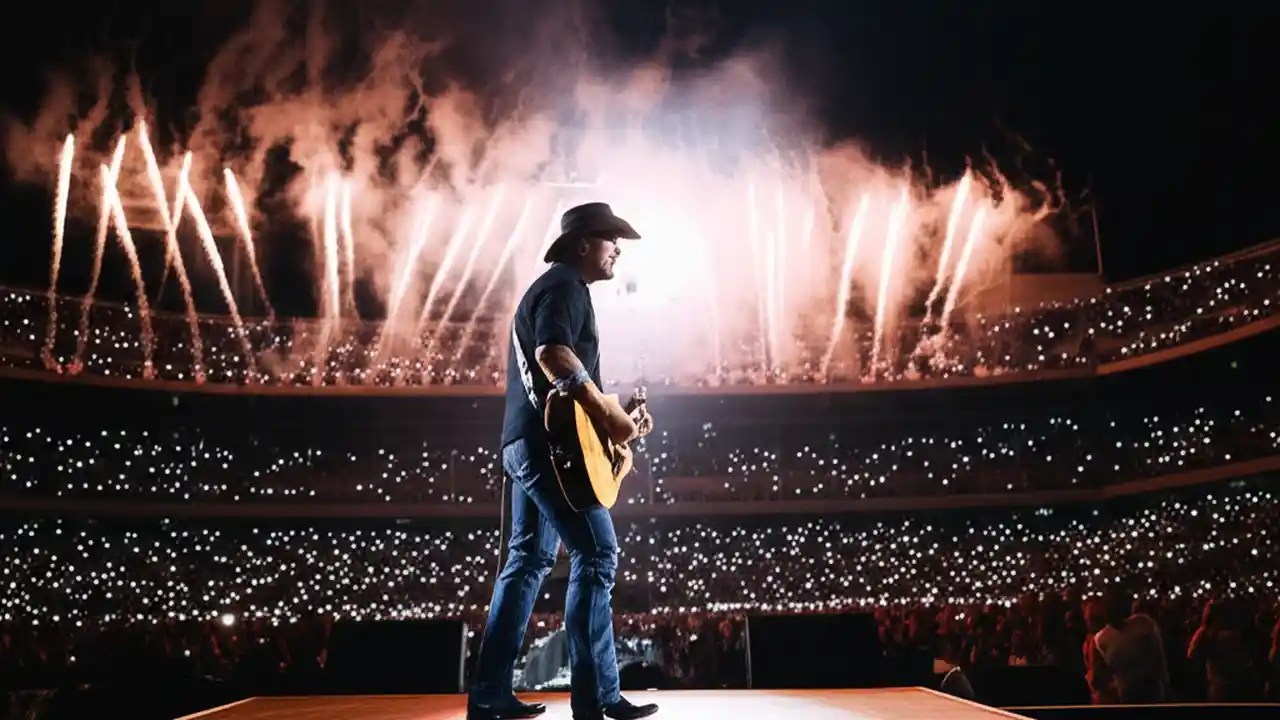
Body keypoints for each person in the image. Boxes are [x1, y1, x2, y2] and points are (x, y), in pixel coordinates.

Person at [467, 203, 659, 720]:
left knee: (527, 562)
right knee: (597, 555)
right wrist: (609, 415)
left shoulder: (547, 288)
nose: (619, 248)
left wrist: (618, 420)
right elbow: (554, 355)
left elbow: (562, 382)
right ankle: (596, 699)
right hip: (545, 447)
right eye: (611, 238)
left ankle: (487, 696)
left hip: (522, 445)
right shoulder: (566, 288)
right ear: (582, 245)